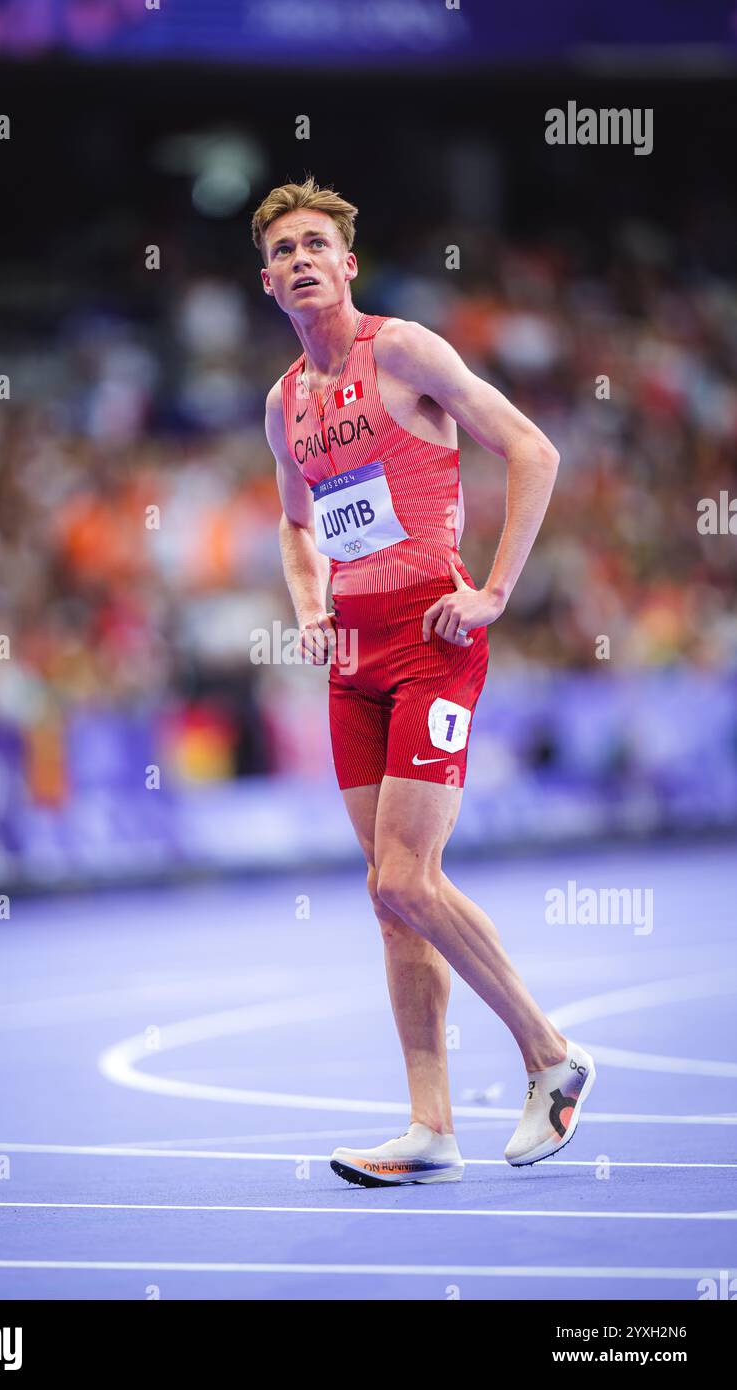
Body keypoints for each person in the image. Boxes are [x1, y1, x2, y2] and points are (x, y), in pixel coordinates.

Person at [254, 176, 596, 1186]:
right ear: (266, 280)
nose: (300, 260)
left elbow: (531, 448)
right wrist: (310, 604)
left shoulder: (399, 349)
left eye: (317, 243)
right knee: (387, 897)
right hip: (351, 654)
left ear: (347, 263)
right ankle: (430, 1126)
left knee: (406, 877)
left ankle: (550, 1052)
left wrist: (494, 588)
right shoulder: (283, 404)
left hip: (433, 636)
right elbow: (291, 520)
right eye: (282, 251)